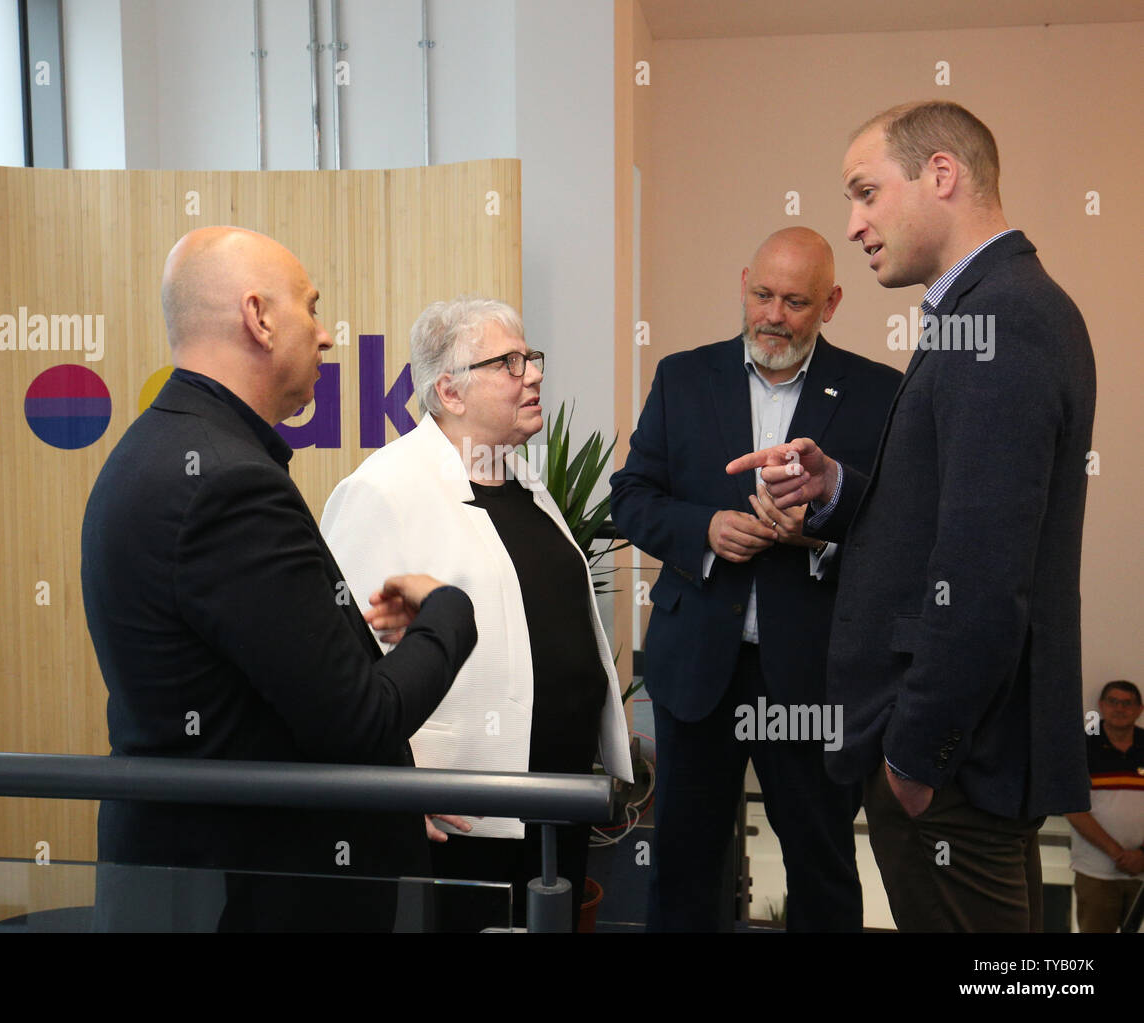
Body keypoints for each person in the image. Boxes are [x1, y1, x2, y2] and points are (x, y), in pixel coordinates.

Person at [728, 101, 1097, 931]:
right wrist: (838, 490)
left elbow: (984, 571)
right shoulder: (991, 307)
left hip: (949, 768)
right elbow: (950, 516)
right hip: (958, 758)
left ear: (941, 174)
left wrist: (912, 756)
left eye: (865, 193)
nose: (853, 223)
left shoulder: (1002, 318)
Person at [80, 226, 477, 932]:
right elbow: (361, 720)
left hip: (189, 883)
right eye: (312, 307)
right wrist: (451, 611)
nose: (326, 336)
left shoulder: (151, 450)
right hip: (253, 895)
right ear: (259, 318)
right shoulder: (229, 483)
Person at [610, 227, 901, 932]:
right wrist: (705, 531)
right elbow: (632, 495)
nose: (773, 315)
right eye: (762, 294)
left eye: (795, 301)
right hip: (696, 671)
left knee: (822, 865)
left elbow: (896, 531)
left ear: (830, 303)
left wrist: (816, 534)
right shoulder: (683, 376)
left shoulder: (879, 393)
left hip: (811, 673)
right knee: (682, 867)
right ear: (744, 283)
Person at [321, 297, 632, 931]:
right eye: (510, 362)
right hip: (462, 811)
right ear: (450, 391)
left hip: (554, 800)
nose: (535, 374)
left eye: (532, 358)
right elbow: (343, 663)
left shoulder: (521, 480)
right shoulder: (383, 490)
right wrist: (399, 787)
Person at [1066, 681, 1143, 932]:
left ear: (1139, 709)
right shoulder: (1080, 747)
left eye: (1127, 702)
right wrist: (1116, 853)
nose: (1119, 708)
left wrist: (1142, 855)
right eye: (1113, 701)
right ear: (1101, 706)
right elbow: (1074, 809)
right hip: (1095, 872)